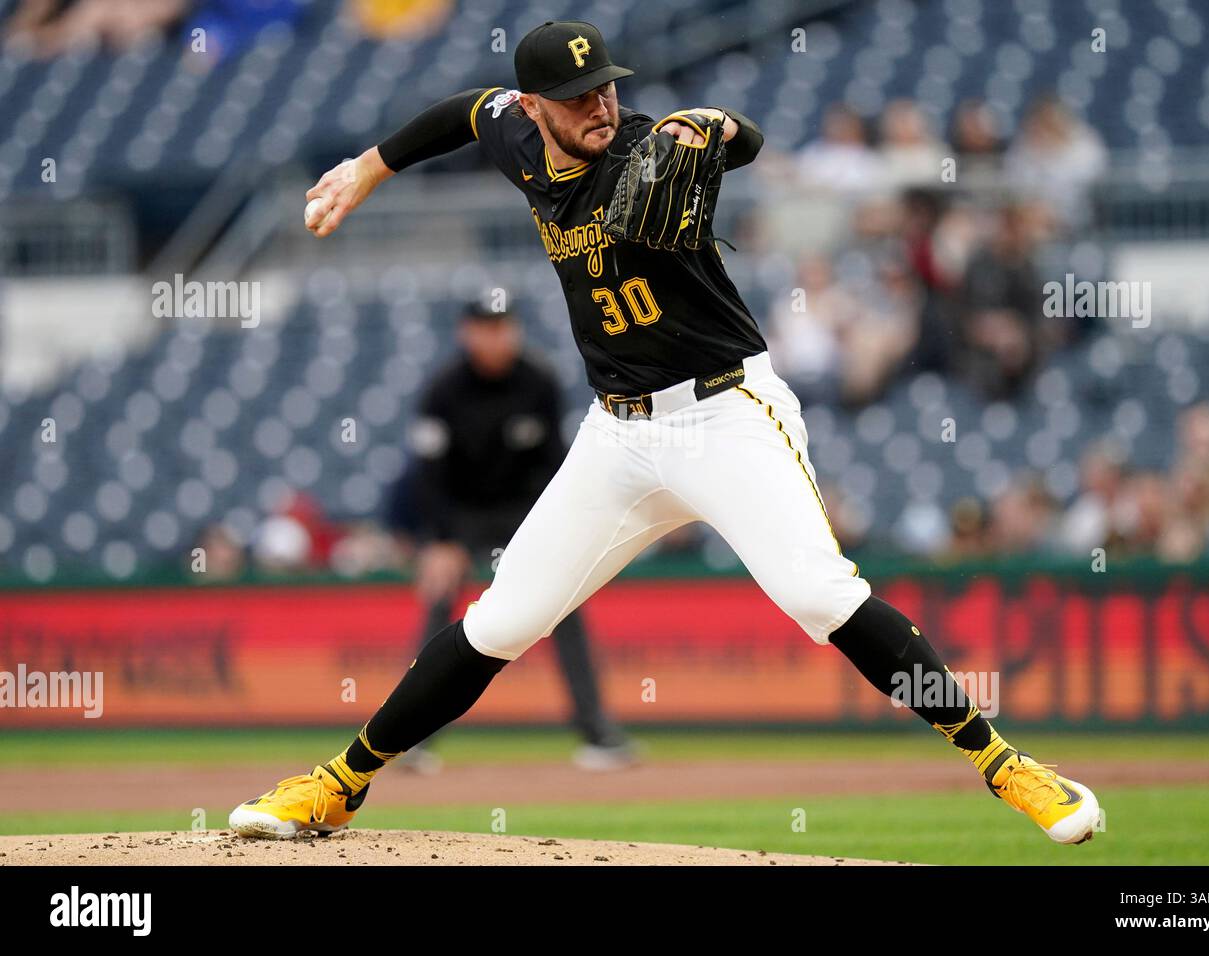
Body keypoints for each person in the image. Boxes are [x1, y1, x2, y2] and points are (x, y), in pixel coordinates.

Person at [230, 19, 1101, 847]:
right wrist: (370, 167)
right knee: (503, 620)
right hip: (618, 435)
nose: (599, 107)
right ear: (534, 109)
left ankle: (1003, 764)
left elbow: (742, 140)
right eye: (575, 98)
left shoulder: (649, 147)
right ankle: (339, 784)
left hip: (726, 413)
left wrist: (715, 124)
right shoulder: (517, 137)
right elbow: (465, 108)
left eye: (603, 88)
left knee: (816, 595)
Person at [385, 300, 635, 772]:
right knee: (440, 607)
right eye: (485, 328)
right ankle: (407, 739)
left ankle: (597, 733)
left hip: (524, 511)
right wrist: (439, 540)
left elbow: (557, 465)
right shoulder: (444, 389)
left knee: (566, 605)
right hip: (461, 515)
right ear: (467, 332)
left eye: (503, 327)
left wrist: (562, 534)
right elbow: (429, 473)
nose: (496, 337)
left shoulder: (537, 381)